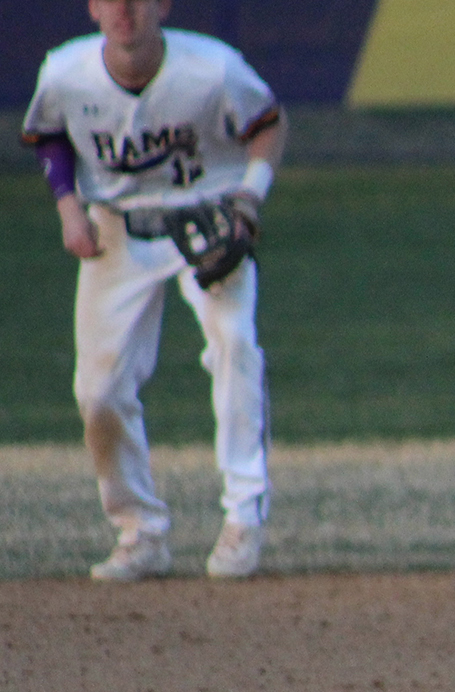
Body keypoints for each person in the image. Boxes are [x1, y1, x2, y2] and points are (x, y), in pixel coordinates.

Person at [22, 0, 285, 581]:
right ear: (92, 8)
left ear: (163, 6)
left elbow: (268, 125)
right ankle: (140, 532)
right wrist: (68, 208)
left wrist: (248, 197)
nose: (125, 9)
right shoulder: (66, 72)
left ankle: (243, 516)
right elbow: (48, 135)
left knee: (236, 347)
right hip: (116, 228)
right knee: (98, 391)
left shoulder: (213, 68)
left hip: (208, 222)